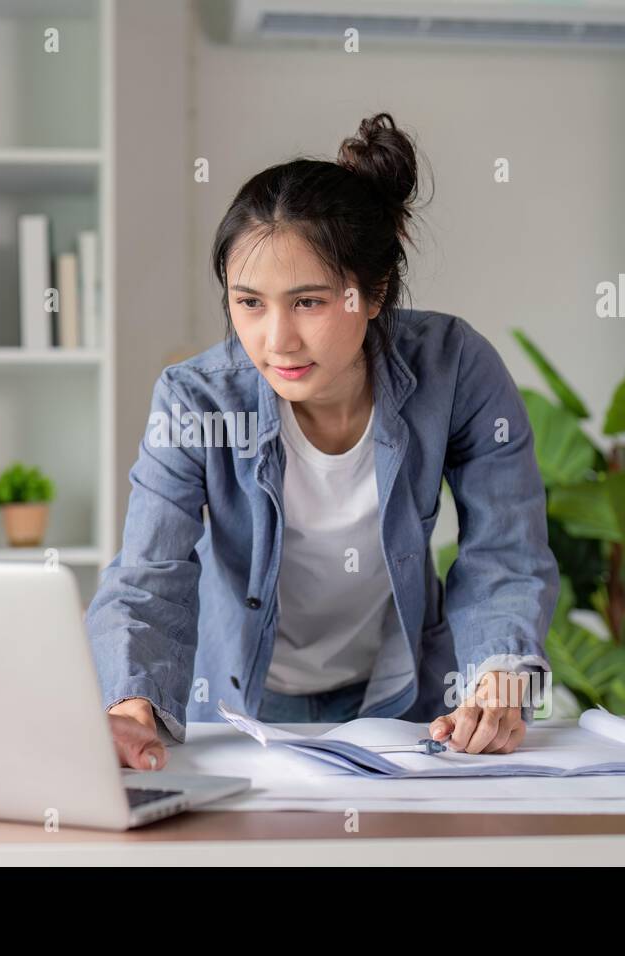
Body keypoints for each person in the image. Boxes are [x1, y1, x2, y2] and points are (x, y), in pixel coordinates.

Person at [86, 113, 559, 771]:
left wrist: (501, 677)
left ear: (374, 293)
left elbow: (503, 550)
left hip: (406, 705)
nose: (275, 340)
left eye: (307, 302)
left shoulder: (454, 369)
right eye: (249, 303)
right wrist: (130, 703)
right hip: (238, 707)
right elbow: (149, 574)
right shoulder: (195, 399)